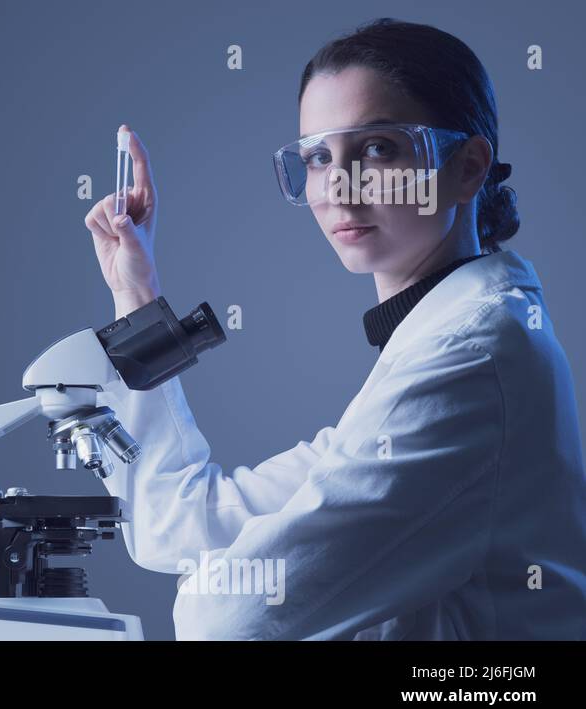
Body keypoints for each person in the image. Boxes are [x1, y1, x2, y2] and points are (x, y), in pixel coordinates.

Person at [83, 17, 586, 640]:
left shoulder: (472, 360)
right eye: (318, 157)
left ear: (467, 167)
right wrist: (135, 294)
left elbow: (231, 621)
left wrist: (207, 586)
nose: (339, 187)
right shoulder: (429, 349)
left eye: (378, 148)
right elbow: (174, 522)